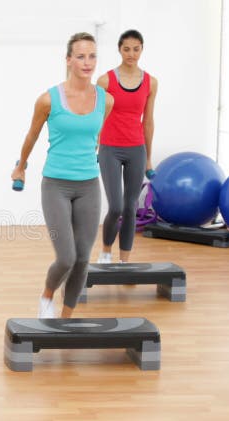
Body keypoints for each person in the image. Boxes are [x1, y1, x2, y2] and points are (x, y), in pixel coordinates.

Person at [12, 32, 114, 319]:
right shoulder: (49, 99)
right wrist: (21, 166)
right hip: (56, 184)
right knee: (67, 257)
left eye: (92, 56)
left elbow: (95, 138)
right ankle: (47, 296)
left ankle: (66, 320)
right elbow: (32, 135)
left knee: (82, 259)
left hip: (89, 185)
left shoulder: (106, 100)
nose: (87, 62)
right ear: (68, 60)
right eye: (80, 56)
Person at [96, 29, 158, 264]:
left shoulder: (151, 82)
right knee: (116, 207)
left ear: (142, 49)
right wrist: (93, 147)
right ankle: (105, 251)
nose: (131, 54)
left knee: (130, 207)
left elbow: (148, 121)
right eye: (126, 49)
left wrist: (148, 158)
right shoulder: (105, 81)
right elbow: (96, 118)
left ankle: (125, 261)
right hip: (110, 148)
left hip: (136, 149)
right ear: (119, 50)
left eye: (136, 49)